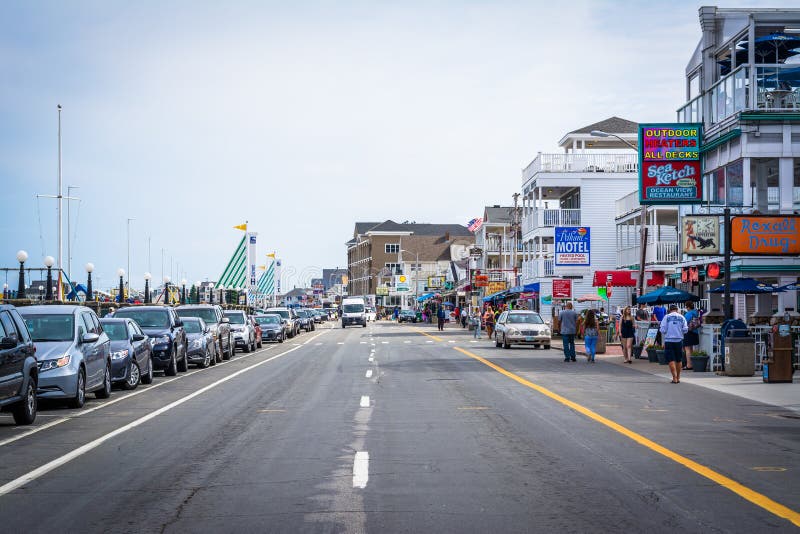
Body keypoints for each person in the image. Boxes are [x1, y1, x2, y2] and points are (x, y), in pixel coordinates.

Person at [660, 304, 688, 383]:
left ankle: (674, 377)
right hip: (679, 340)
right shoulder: (682, 317)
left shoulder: (666, 317)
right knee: (679, 359)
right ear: (677, 309)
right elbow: (685, 329)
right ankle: (678, 377)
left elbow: (663, 330)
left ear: (669, 310)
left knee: (671, 359)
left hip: (669, 340)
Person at [682, 301, 700, 370]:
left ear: (688, 307)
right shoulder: (696, 312)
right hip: (695, 332)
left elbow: (684, 322)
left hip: (688, 332)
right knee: (691, 348)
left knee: (687, 349)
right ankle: (692, 363)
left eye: (686, 307)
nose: (686, 308)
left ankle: (689, 365)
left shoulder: (688, 313)